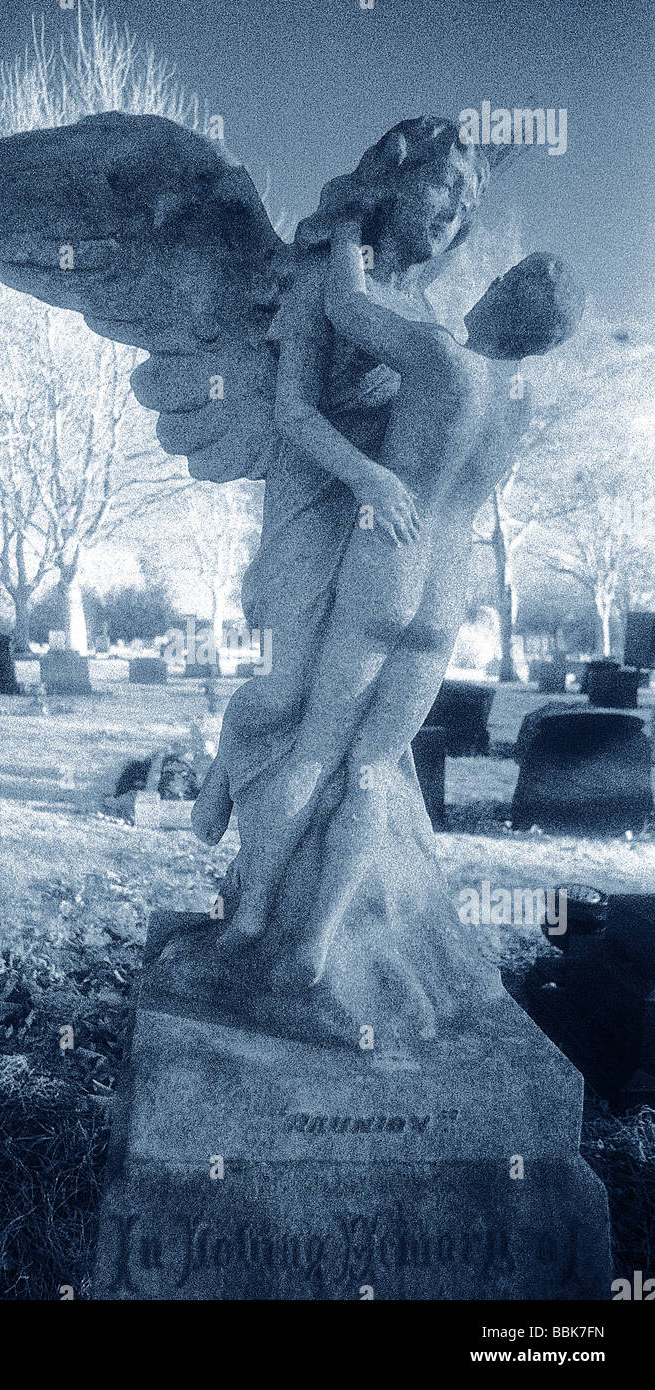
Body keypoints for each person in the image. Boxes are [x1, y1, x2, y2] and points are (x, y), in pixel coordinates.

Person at [217, 240, 584, 962]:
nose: (487, 284)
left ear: (507, 302)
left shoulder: (445, 356)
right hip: (449, 590)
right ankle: (317, 945)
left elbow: (345, 306)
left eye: (503, 279)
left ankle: (256, 913)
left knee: (316, 751)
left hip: (389, 562)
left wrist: (349, 240)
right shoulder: (516, 410)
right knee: (372, 768)